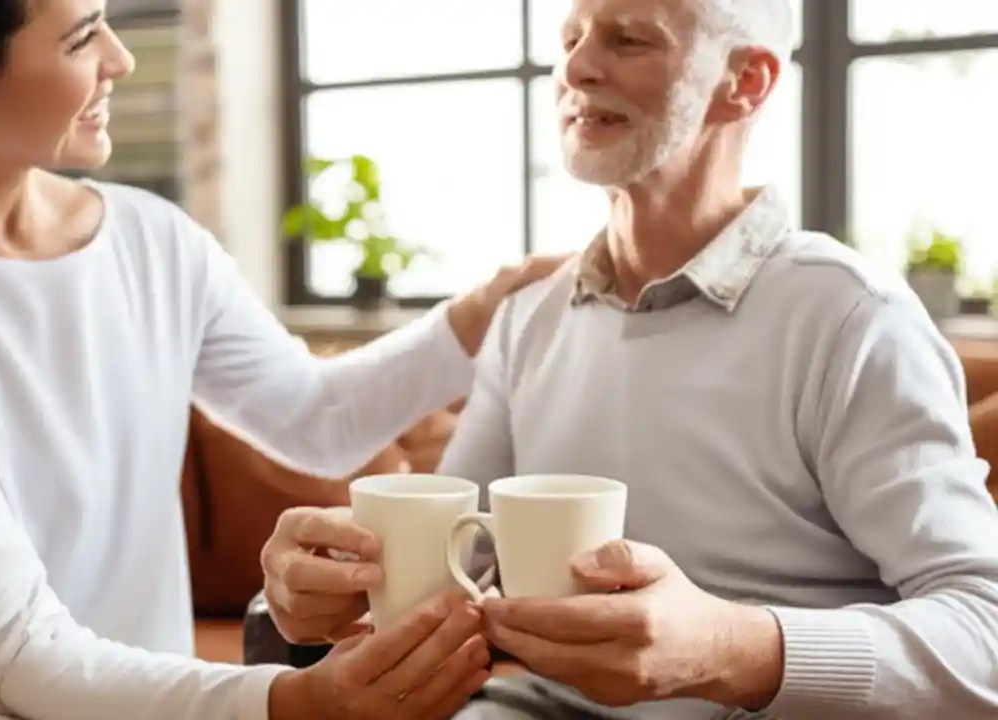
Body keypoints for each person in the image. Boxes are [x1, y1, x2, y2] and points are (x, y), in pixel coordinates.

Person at [0, 1, 565, 718]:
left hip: (113, 699)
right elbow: (11, 647)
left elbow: (315, 421)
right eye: (80, 38)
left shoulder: (149, 238)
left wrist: (473, 316)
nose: (120, 57)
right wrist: (297, 701)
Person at [261, 0, 998, 718]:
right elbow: (455, 568)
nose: (576, 67)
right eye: (572, 36)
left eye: (629, 40)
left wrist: (729, 649)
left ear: (746, 81)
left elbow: (985, 634)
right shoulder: (529, 317)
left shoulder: (852, 316)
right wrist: (333, 588)